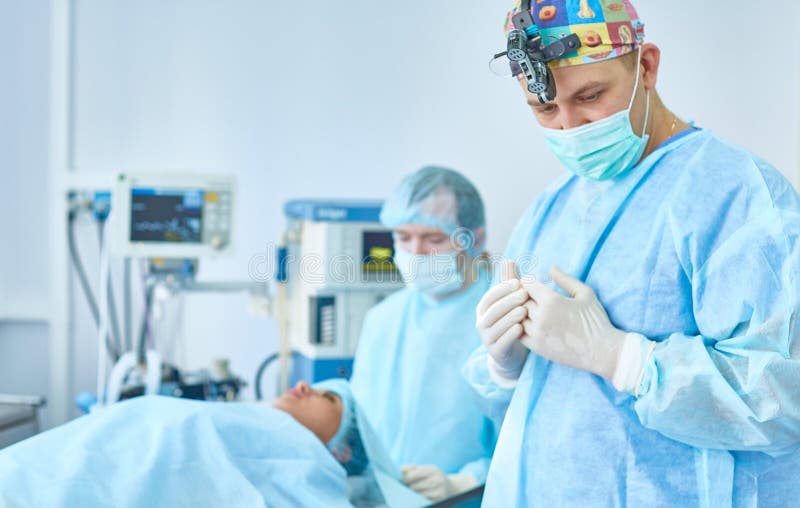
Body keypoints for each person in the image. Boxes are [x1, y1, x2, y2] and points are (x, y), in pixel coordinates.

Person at [465, 1, 800, 506]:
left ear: (646, 65)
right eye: (545, 109)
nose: (571, 126)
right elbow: (538, 417)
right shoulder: (549, 209)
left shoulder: (735, 194)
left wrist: (624, 359)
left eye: (591, 96)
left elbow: (781, 402)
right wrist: (504, 367)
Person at [0, 381, 426, 508]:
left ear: (343, 450)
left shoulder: (309, 472)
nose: (302, 385)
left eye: (328, 398)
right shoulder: (247, 422)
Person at [350, 166, 496, 502]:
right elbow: (359, 425)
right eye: (403, 237)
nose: (416, 252)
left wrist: (465, 481)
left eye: (434, 238)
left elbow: (528, 440)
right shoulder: (382, 319)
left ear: (475, 238)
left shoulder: (503, 318)